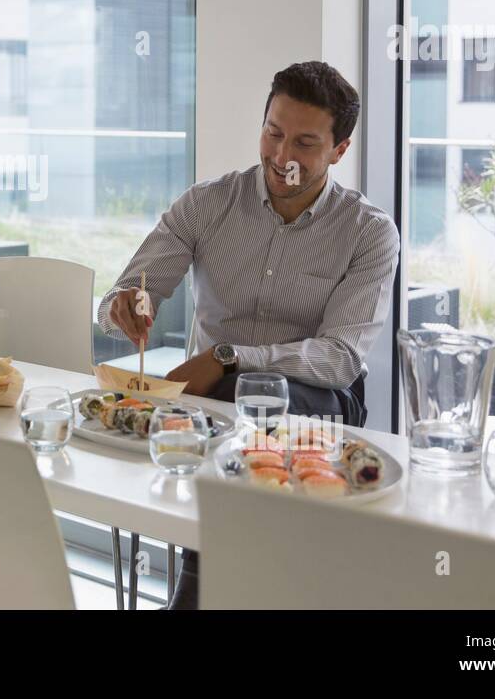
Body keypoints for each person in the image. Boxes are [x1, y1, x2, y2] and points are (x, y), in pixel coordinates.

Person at [97, 60, 400, 608]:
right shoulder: (208, 204)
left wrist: (229, 358)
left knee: (244, 400)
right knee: (216, 409)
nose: (282, 157)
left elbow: (339, 360)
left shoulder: (368, 233)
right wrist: (126, 304)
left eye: (305, 143)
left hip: (319, 400)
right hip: (209, 400)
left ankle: (195, 598)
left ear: (339, 150)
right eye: (273, 133)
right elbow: (123, 296)